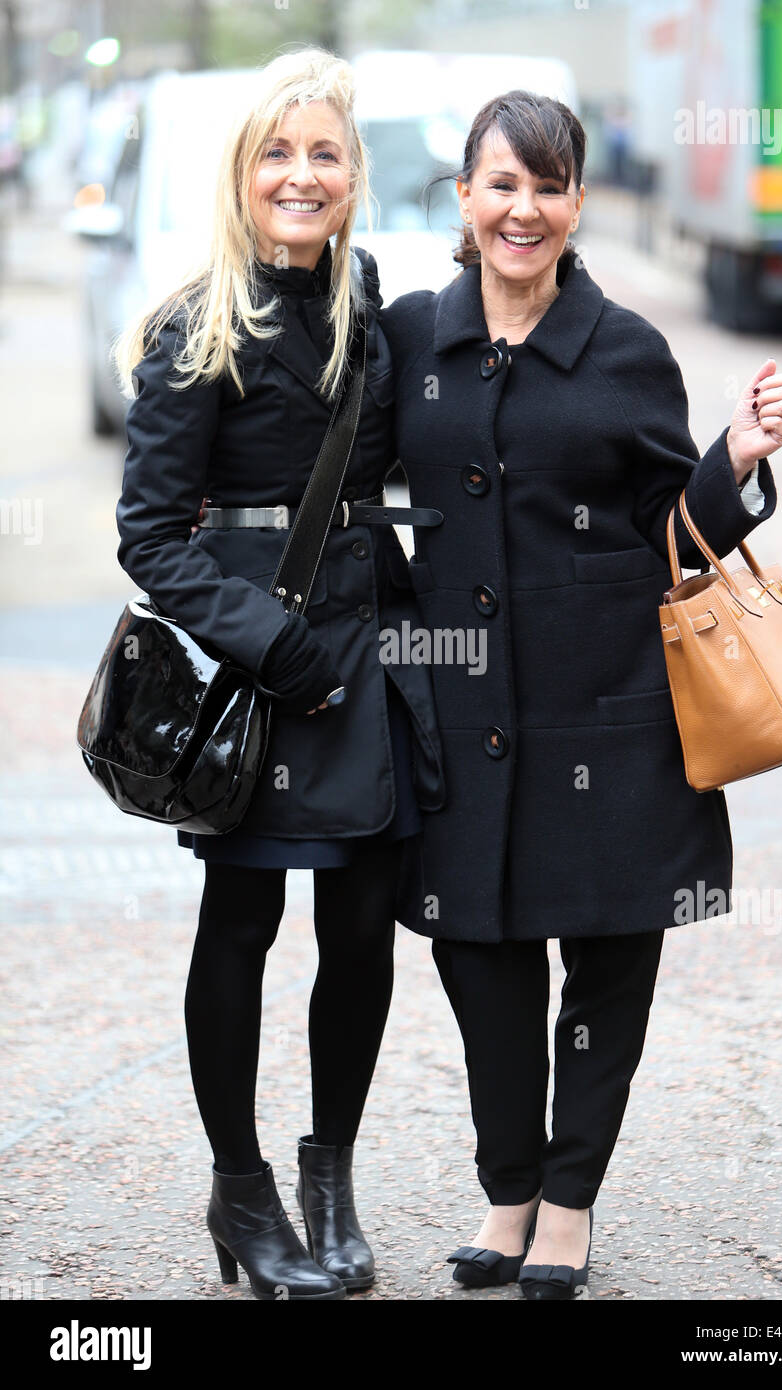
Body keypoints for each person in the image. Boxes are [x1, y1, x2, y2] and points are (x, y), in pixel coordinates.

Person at [380, 90, 782, 1299]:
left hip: (610, 717)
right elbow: (349, 484)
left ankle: (565, 1210)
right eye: (501, 184)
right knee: (483, 969)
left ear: (575, 204)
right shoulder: (411, 338)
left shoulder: (624, 350)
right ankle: (504, 1197)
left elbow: (675, 535)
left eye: (548, 185)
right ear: (462, 197)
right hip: (461, 719)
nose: (525, 208)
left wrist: (733, 463)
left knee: (605, 970)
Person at [113, 48, 444, 1301]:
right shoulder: (196, 325)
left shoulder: (369, 300)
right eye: (276, 153)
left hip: (369, 659)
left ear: (353, 175)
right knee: (242, 926)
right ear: (242, 176)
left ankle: (331, 1178)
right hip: (261, 673)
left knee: (361, 929)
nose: (299, 175)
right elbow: (148, 538)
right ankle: (239, 1191)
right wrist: (271, 640)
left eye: (322, 154)